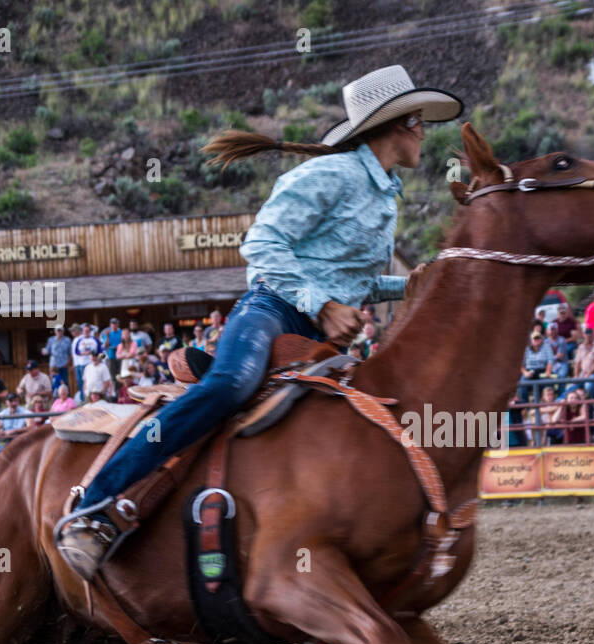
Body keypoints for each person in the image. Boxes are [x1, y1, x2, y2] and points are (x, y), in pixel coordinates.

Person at [56, 65, 463, 578]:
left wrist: (406, 287)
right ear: (399, 124)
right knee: (230, 385)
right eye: (419, 120)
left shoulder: (384, 194)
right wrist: (321, 305)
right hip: (272, 311)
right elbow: (262, 244)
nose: (425, 131)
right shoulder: (330, 175)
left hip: (318, 337)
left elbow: (349, 283)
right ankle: (92, 509)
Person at [43, 325, 73, 391]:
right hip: (54, 365)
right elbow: (47, 350)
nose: (59, 332)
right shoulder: (51, 340)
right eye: (57, 330)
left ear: (63, 331)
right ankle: (55, 399)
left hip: (64, 364)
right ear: (55, 331)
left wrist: (68, 362)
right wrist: (44, 351)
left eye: (60, 330)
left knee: (64, 381)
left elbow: (70, 353)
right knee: (54, 382)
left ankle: (67, 398)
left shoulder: (67, 340)